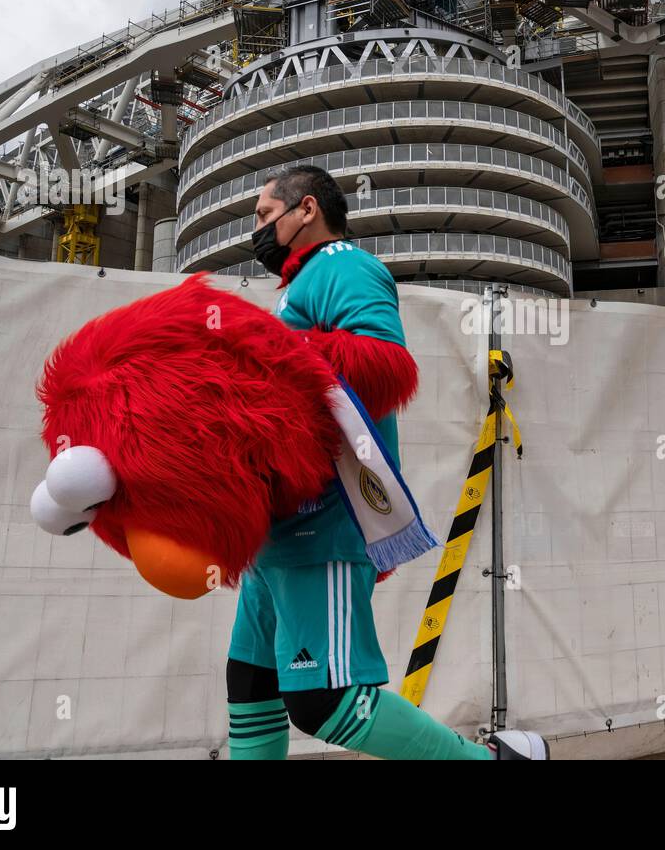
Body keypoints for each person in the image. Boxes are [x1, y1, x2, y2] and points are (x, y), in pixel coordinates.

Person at [226, 164, 548, 761]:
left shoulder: (345, 265)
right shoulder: (301, 284)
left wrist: (267, 353)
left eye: (265, 216)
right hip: (276, 529)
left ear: (306, 211)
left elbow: (383, 362)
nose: (258, 232)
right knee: (250, 686)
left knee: (325, 701)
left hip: (322, 521)